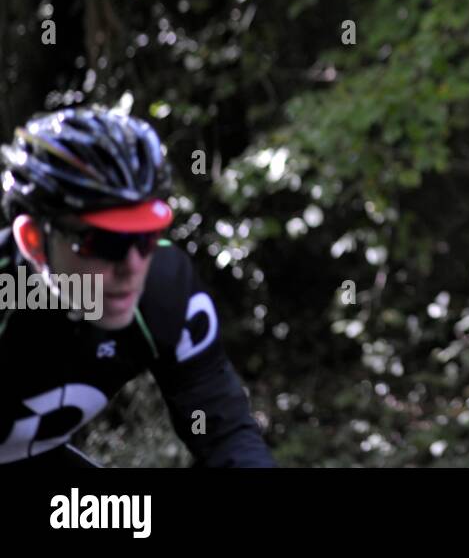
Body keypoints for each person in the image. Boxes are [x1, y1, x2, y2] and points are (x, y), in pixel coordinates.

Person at [0, 107, 274, 467]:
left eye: (146, 237)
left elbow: (225, 433)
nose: (131, 267)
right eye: (105, 243)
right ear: (34, 240)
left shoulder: (164, 289)